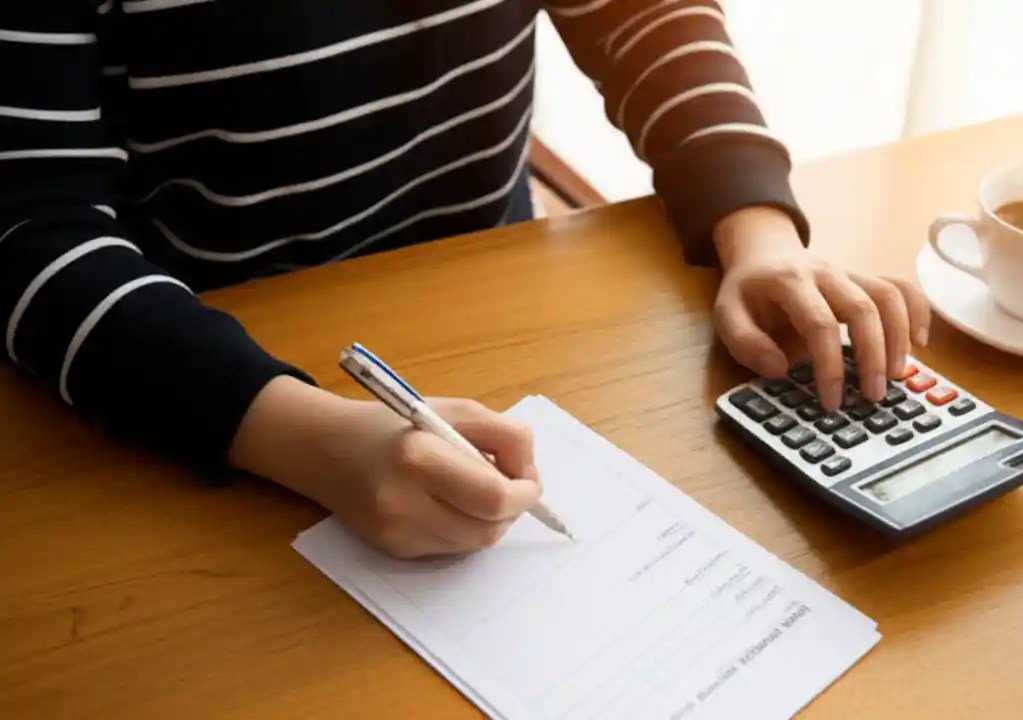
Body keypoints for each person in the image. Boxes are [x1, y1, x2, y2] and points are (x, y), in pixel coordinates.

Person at [0, 0, 929, 558]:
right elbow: (28, 229)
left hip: (505, 322)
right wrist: (311, 442)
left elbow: (638, 16)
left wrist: (757, 231)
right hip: (198, 378)